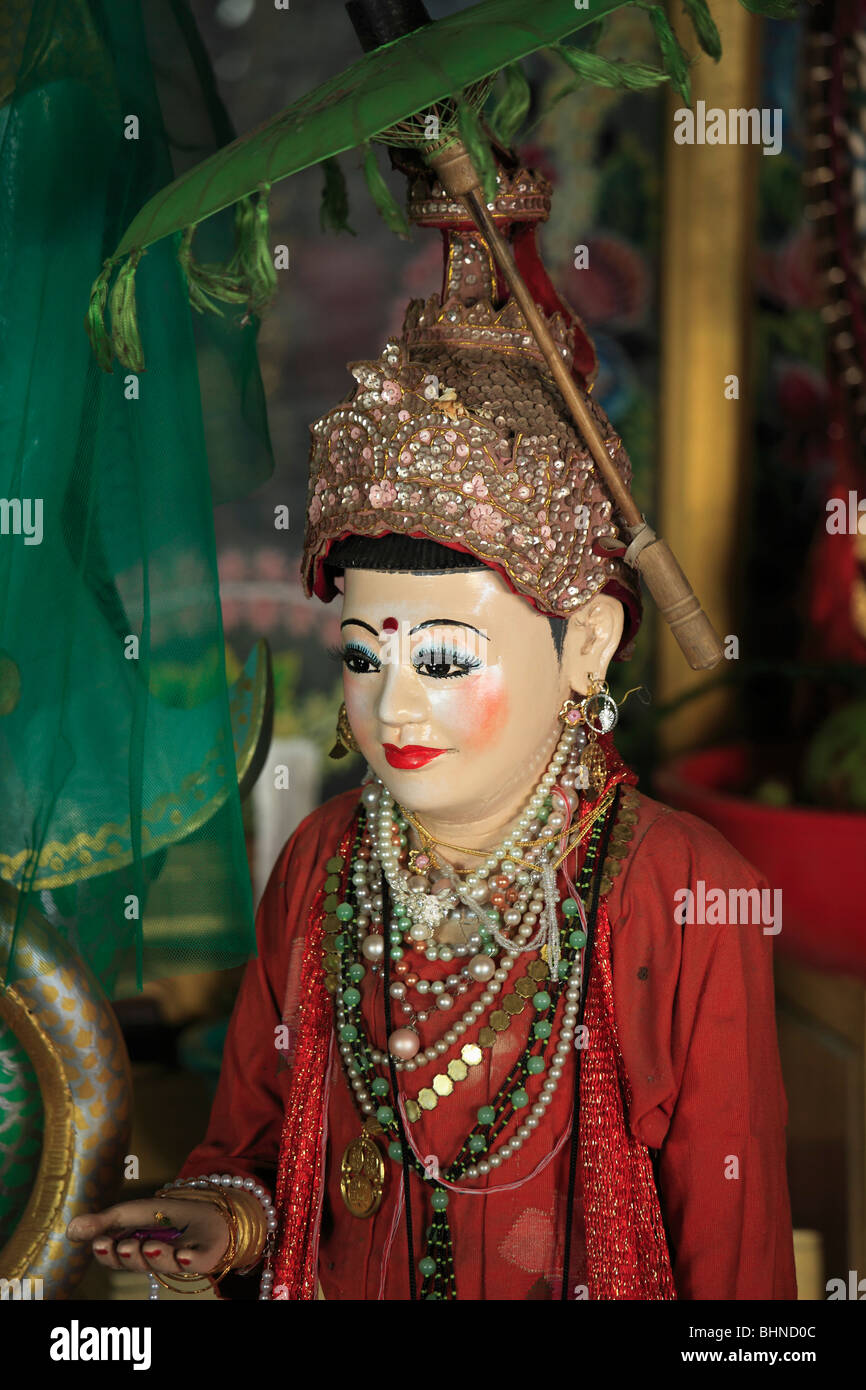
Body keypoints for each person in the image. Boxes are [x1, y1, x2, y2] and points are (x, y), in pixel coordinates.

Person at [67, 162, 797, 1301]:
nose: (393, 706)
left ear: (588, 647)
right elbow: (255, 1155)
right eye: (363, 656)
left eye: (447, 660)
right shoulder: (326, 866)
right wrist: (218, 1220)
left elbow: (737, 1272)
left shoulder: (676, 894)